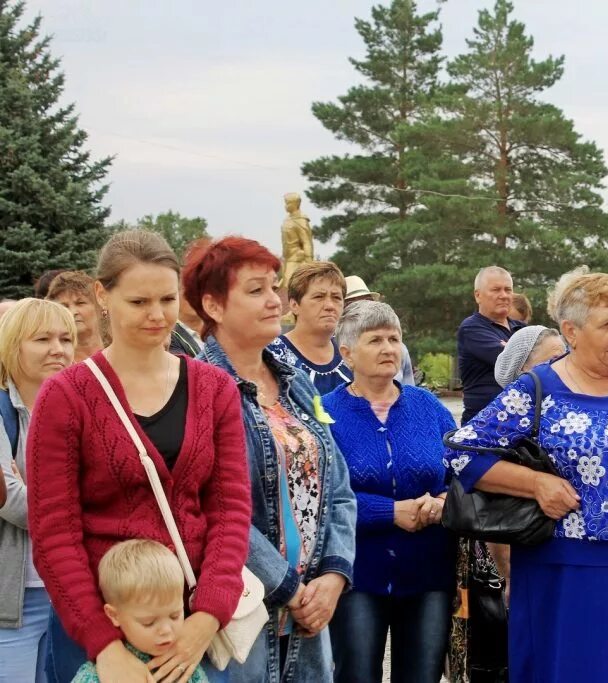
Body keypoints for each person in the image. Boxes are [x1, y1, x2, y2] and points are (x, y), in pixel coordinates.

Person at [445, 267, 608, 682]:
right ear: (571, 331)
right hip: (564, 570)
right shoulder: (540, 388)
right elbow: (462, 455)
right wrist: (536, 483)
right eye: (606, 324)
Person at [28, 230, 252, 683]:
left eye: (167, 299)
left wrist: (207, 616)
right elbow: (54, 531)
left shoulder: (215, 389)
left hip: (189, 626)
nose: (156, 315)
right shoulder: (66, 395)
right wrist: (104, 646)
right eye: (138, 302)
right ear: (101, 295)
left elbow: (230, 512)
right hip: (97, 629)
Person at [185, 236, 357, 682]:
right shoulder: (198, 390)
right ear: (214, 306)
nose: (273, 300)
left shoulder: (296, 383)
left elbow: (339, 490)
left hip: (310, 613)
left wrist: (334, 575)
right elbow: (213, 507)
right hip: (243, 612)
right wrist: (288, 588)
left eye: (275, 287)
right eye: (255, 290)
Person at [321, 301, 456, 683]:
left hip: (429, 572)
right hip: (357, 574)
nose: (388, 348)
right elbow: (322, 499)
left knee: (422, 676)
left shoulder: (428, 406)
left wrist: (443, 501)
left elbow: (461, 473)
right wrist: (389, 512)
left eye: (394, 339)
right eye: (375, 339)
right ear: (346, 353)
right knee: (357, 675)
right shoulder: (325, 413)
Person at [448, 325, 565, 683]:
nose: (562, 367)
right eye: (552, 360)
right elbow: (499, 515)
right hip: (522, 563)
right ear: (523, 374)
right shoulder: (510, 429)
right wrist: (510, 573)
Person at [0, 299, 76, 681]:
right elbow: (11, 502)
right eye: (42, 338)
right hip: (12, 603)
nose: (58, 349)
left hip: (72, 594)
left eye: (66, 338)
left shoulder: (80, 409)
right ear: (13, 344)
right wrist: (73, 500)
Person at [71, 540, 208, 683]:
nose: (166, 630)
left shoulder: (186, 660)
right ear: (113, 615)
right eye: (148, 623)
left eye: (175, 616)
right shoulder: (95, 677)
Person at [268, 262, 350, 395]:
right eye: (319, 297)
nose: (330, 305)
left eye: (336, 298)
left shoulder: (352, 354)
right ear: (294, 305)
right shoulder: (271, 356)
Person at [456, 266, 525, 424]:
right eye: (496, 290)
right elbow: (510, 360)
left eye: (508, 290)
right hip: (483, 425)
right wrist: (518, 352)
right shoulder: (471, 328)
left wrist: (510, 348)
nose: (504, 295)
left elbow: (547, 361)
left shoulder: (523, 329)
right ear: (478, 295)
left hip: (520, 426)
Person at [343, 275, 416, 386]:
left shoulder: (400, 350)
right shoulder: (334, 352)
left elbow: (409, 395)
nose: (360, 308)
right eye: (352, 304)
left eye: (366, 301)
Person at [45, 271, 106, 362]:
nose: (72, 312)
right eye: (64, 306)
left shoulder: (121, 348)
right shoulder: (55, 358)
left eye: (80, 303)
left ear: (100, 305)